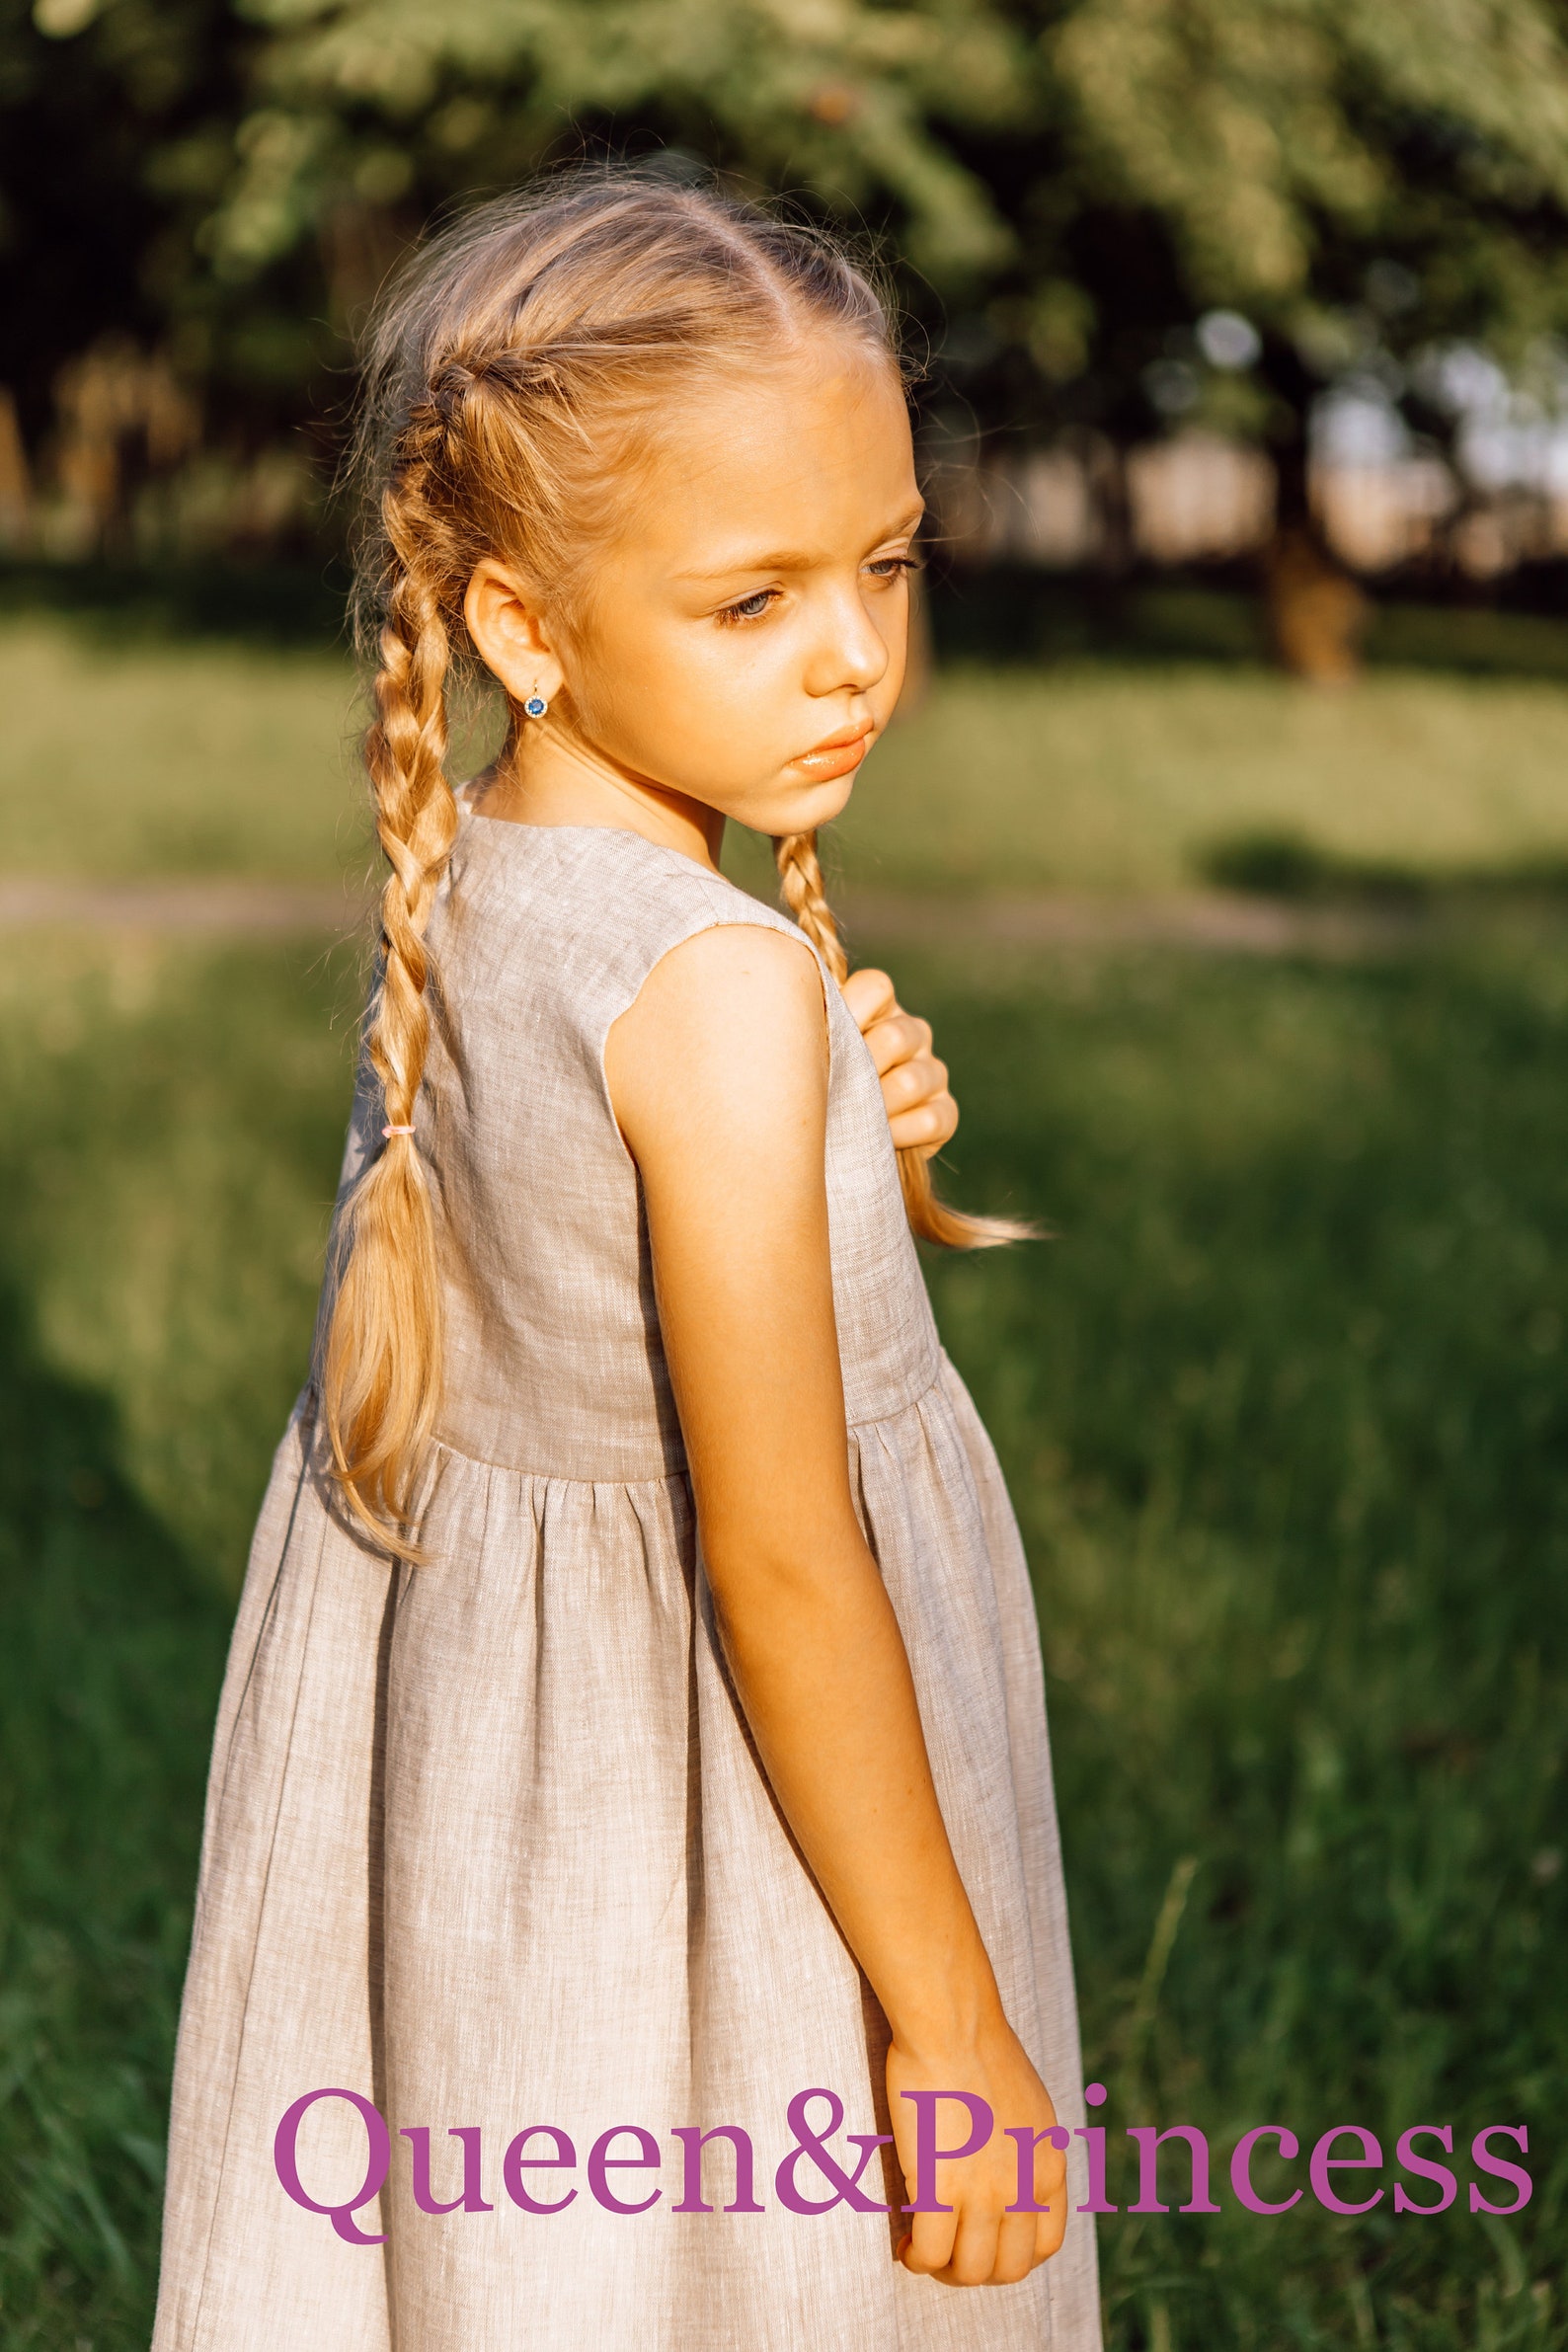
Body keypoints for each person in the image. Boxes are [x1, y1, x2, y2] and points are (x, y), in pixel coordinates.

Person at [151, 169, 1101, 2352]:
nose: (853, 652)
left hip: (509, 1776)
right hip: (730, 1802)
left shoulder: (472, 886)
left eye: (882, 565)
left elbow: (559, 1243)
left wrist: (848, 1141)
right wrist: (947, 2032)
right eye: (752, 598)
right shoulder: (711, 984)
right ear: (519, 624)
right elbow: (776, 1557)